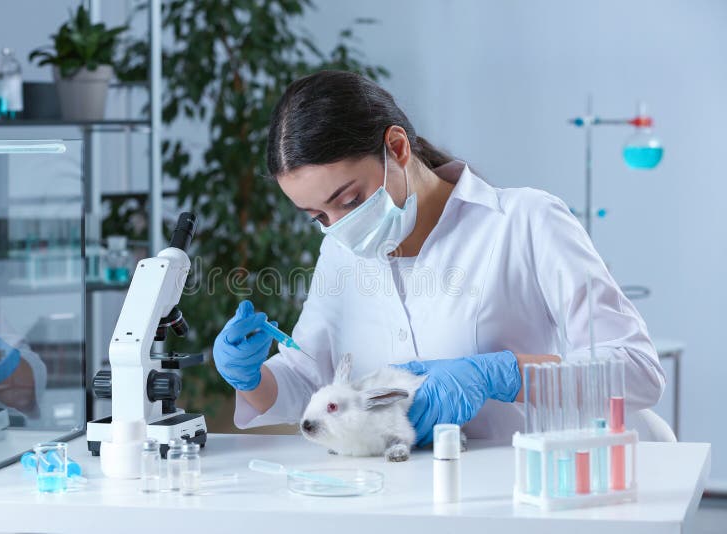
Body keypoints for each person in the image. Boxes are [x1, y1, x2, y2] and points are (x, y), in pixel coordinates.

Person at [213, 70, 664, 444]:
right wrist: (250, 378)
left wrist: (501, 374)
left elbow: (638, 370)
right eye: (318, 216)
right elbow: (312, 381)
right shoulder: (341, 250)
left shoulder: (524, 221)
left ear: (397, 147)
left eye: (349, 200)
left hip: (517, 499)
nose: (339, 227)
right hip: (393, 498)